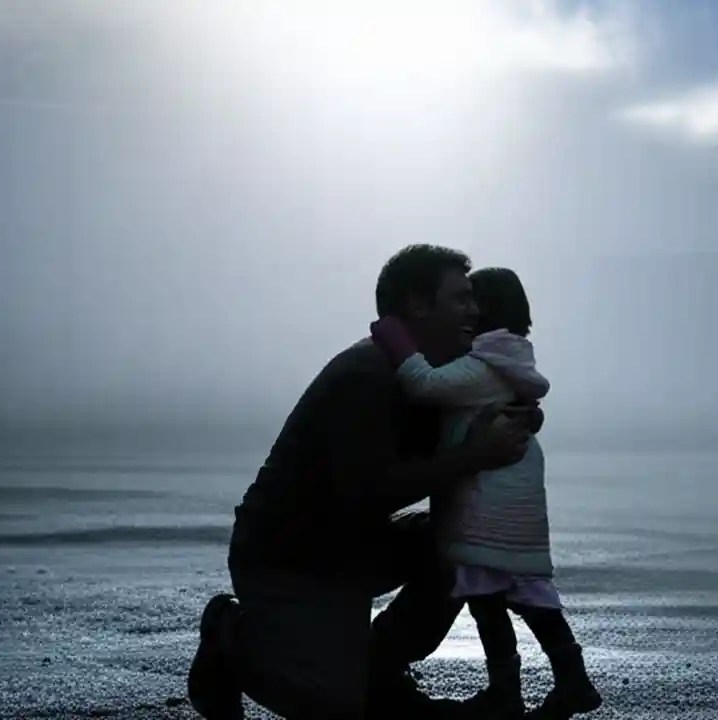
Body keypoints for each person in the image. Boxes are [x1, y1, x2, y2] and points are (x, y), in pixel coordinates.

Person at [187, 245, 544, 720]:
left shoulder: (434, 378)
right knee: (334, 706)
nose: (475, 311)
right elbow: (368, 489)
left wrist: (514, 416)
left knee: (460, 547)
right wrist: (474, 454)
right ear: (418, 305)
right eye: (461, 299)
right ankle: (231, 636)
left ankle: (379, 667)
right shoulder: (368, 375)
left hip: (348, 545)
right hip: (288, 556)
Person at [370, 267, 601, 720]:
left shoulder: (484, 365)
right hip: (515, 504)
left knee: (487, 601)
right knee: (530, 598)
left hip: (487, 504)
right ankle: (568, 680)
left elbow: (426, 385)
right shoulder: (511, 361)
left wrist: (394, 337)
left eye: (473, 300)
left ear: (486, 309)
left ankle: (509, 692)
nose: (467, 309)